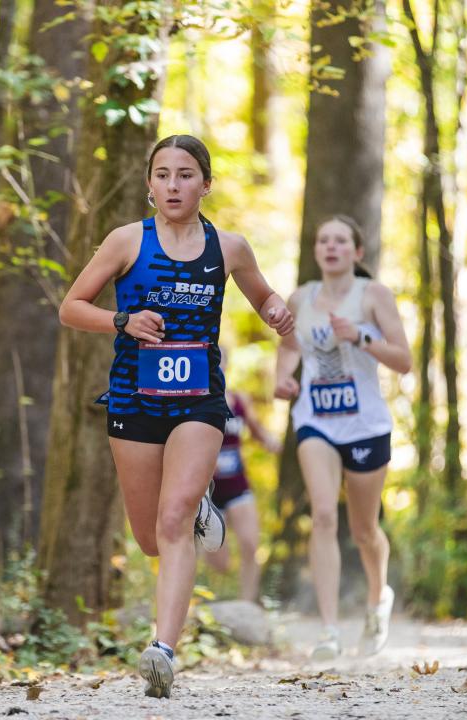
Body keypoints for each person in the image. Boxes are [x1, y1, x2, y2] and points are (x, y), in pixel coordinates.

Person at [58, 134, 294, 697]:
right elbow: (71, 308)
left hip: (199, 401)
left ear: (205, 185)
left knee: (173, 521)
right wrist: (123, 321)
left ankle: (162, 651)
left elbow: (264, 298)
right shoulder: (126, 241)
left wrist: (277, 312)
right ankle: (195, 511)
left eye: (185, 175)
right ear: (149, 184)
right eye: (162, 174)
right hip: (133, 399)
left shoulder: (229, 248)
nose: (173, 185)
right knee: (150, 539)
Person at [274, 214, 411, 660]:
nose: (330, 247)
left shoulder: (373, 296)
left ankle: (378, 598)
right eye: (323, 240)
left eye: (340, 241)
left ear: (357, 251)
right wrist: (283, 378)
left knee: (364, 530)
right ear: (316, 250)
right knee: (323, 516)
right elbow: (289, 346)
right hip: (316, 419)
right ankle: (329, 631)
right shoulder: (301, 298)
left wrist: (361, 337)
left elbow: (404, 360)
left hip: (366, 425)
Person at [204, 349, 281, 604]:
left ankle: (247, 603)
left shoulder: (239, 400)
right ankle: (210, 600)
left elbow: (256, 430)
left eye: (221, 363)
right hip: (208, 492)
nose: (218, 368)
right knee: (220, 562)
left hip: (238, 486)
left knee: (250, 545)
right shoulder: (197, 400)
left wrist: (270, 441)